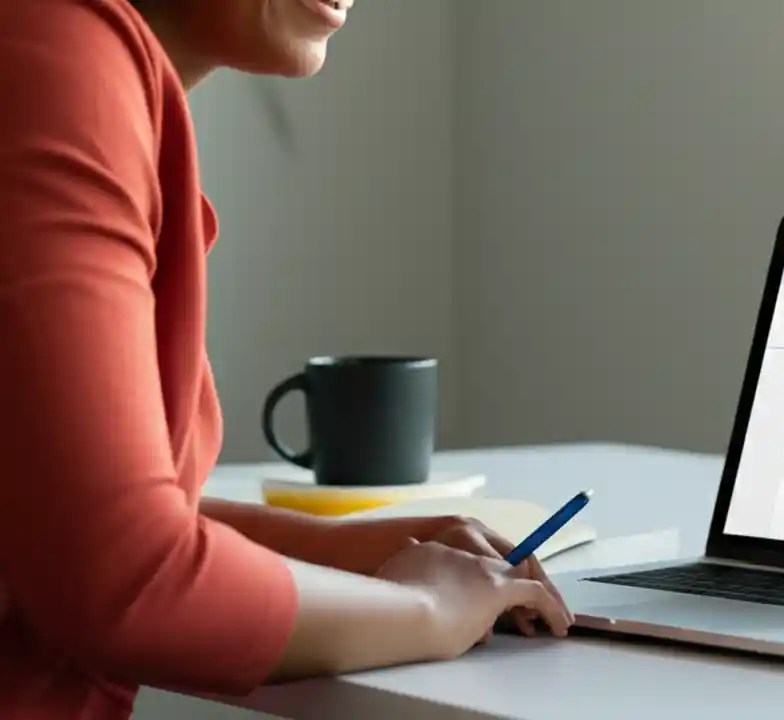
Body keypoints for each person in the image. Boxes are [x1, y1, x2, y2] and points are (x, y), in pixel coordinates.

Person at [0, 0, 573, 717]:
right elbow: (121, 573)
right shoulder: (52, 54)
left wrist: (350, 553)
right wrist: (428, 609)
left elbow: (53, 517)